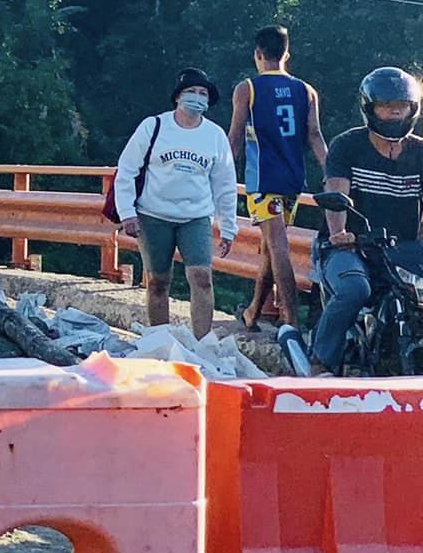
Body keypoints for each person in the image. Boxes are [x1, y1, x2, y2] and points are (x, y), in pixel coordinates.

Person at [310, 67, 423, 375]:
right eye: (387, 105)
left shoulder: (420, 151)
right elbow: (336, 193)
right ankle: (320, 363)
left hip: (402, 252)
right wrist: (339, 233)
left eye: (402, 105)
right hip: (350, 248)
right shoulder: (347, 145)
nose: (395, 111)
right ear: (370, 108)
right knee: (353, 289)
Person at [112, 68, 238, 337]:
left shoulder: (214, 136)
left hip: (196, 217)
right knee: (158, 282)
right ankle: (160, 340)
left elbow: (225, 184)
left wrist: (228, 227)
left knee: (202, 278)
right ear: (178, 97)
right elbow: (127, 169)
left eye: (203, 93)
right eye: (191, 91)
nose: (197, 97)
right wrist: (127, 213)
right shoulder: (154, 126)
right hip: (153, 214)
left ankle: (202, 344)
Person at [227, 25, 325, 337]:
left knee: (277, 245)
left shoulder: (248, 88)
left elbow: (236, 137)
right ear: (286, 54)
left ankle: (291, 318)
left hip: (263, 178)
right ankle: (254, 310)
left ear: (258, 55)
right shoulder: (306, 90)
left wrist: (220, 175)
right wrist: (332, 173)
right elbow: (315, 136)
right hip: (293, 178)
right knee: (270, 247)